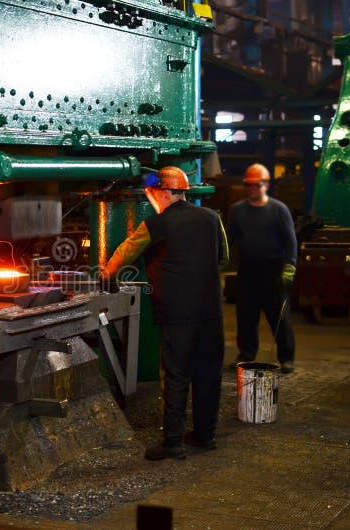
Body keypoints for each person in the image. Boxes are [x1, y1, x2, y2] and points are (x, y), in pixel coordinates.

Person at [100, 166, 229, 460]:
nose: (154, 200)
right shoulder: (212, 218)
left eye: (154, 194)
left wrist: (107, 275)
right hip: (211, 313)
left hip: (177, 314)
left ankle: (172, 443)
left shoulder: (155, 225)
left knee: (175, 374)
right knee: (208, 374)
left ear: (165, 192)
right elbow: (224, 258)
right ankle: (205, 436)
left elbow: (125, 251)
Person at [227, 163, 297, 374]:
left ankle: (286, 358)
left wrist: (289, 267)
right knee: (246, 316)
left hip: (273, 272)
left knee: (279, 318)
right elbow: (229, 240)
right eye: (248, 185)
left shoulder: (278, 210)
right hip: (248, 272)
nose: (251, 189)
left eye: (256, 185)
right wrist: (219, 263)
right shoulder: (238, 211)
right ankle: (247, 353)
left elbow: (290, 241)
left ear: (266, 185)